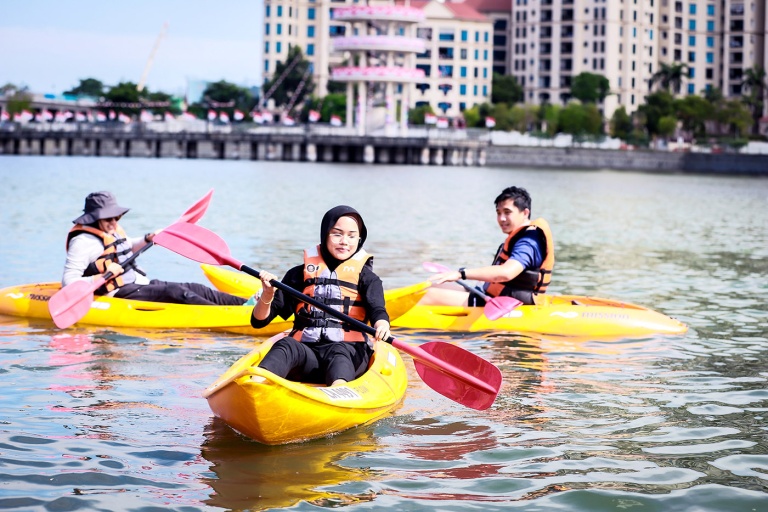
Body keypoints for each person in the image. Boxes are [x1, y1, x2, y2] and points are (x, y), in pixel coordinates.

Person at [250, 205, 391, 386]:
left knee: (339, 351)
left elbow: (378, 310)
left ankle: (339, 391)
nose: (344, 241)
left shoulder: (367, 278)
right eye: (337, 234)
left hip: (348, 352)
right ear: (325, 234)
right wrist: (267, 294)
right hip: (306, 353)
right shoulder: (298, 274)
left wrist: (382, 325)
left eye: (351, 236)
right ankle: (255, 386)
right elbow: (259, 321)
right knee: (286, 346)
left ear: (359, 239)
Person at [63, 191, 246, 306]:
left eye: (116, 217)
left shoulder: (110, 229)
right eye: (108, 218)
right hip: (117, 292)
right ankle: (232, 316)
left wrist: (148, 238)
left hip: (136, 283)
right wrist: (101, 276)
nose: (114, 222)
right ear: (95, 218)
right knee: (178, 293)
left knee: (195, 287)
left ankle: (250, 306)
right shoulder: (83, 242)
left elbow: (126, 247)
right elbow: (68, 282)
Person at [422, 186, 554, 307]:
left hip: (508, 304)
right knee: (427, 288)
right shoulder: (521, 235)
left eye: (507, 212)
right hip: (492, 295)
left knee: (428, 296)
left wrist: (461, 274)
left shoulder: (528, 242)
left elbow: (506, 273)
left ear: (525, 213)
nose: (501, 218)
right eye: (498, 213)